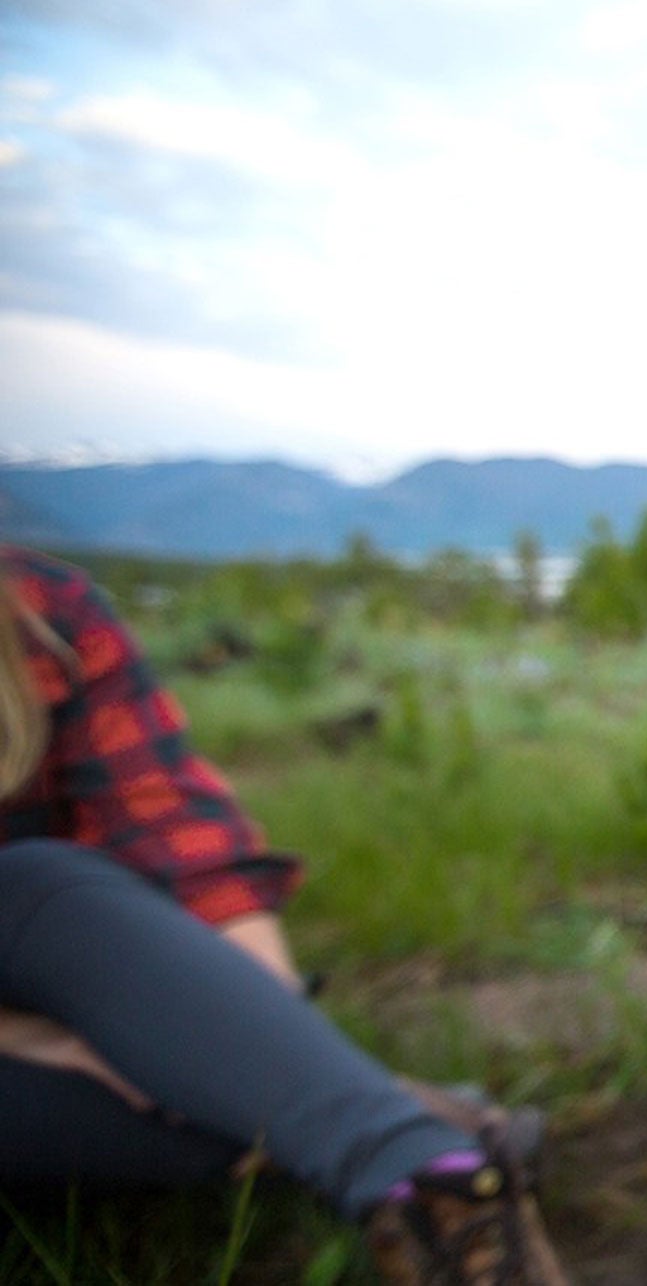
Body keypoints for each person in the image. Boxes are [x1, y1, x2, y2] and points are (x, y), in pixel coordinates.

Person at [0, 544, 572, 1285]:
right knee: (238, 1104)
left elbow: (175, 832)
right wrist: (38, 1039)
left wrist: (255, 1024)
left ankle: (424, 1169)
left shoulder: (40, 606)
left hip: (55, 962)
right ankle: (398, 1130)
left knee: (38, 883)